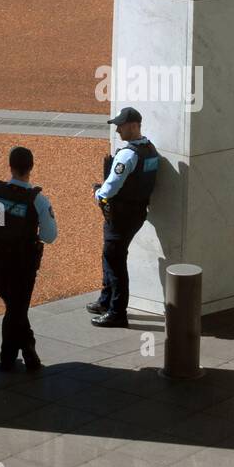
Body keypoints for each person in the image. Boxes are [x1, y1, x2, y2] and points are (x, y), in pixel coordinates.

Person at [0, 146, 57, 371]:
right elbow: (49, 236)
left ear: (10, 166)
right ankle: (9, 358)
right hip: (22, 264)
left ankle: (28, 353)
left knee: (14, 307)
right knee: (16, 310)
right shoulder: (38, 200)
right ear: (31, 167)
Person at [88, 107, 158, 328]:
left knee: (114, 259)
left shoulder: (128, 154)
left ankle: (117, 311)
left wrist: (98, 194)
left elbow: (111, 186)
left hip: (121, 215)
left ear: (134, 125)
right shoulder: (150, 150)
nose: (117, 129)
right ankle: (105, 300)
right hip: (136, 213)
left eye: (121, 125)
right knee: (111, 255)